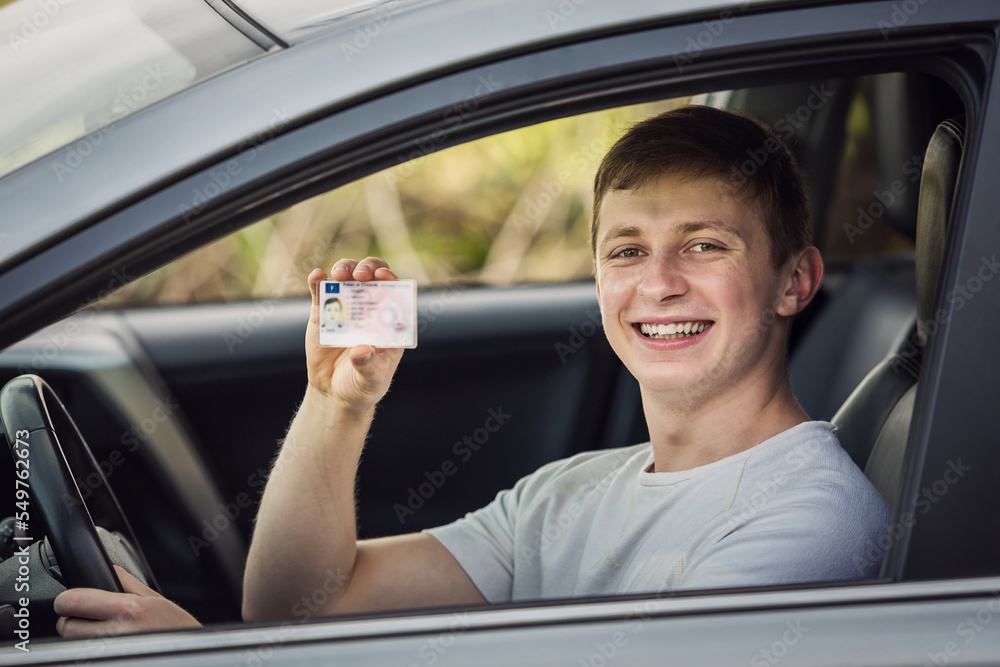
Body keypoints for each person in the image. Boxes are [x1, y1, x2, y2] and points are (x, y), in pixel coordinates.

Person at [53, 105, 890, 635]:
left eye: (705, 245)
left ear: (795, 280)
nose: (658, 281)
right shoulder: (570, 493)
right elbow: (298, 604)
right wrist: (337, 404)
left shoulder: (807, 524)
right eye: (627, 250)